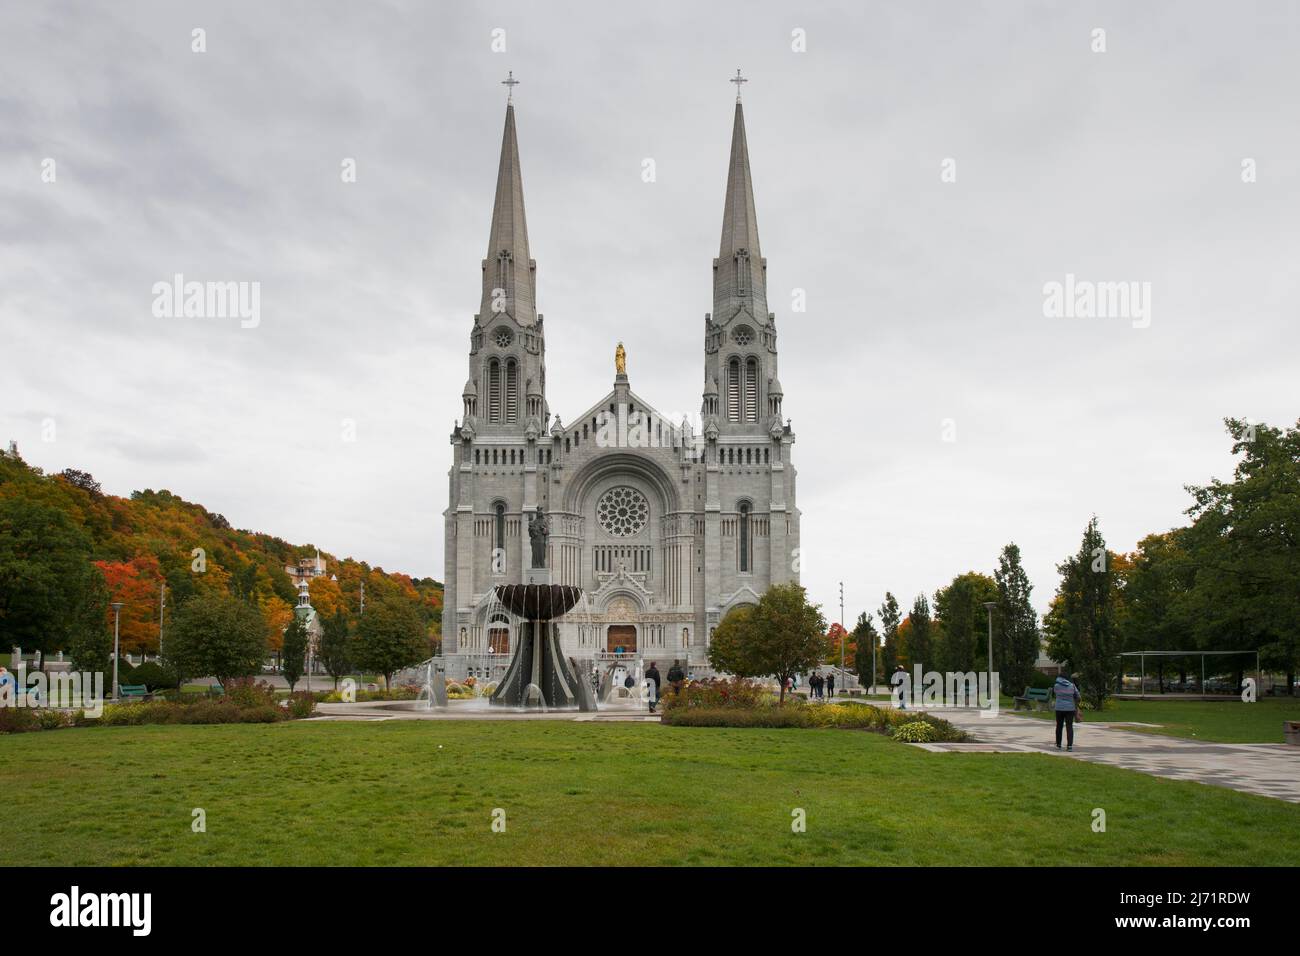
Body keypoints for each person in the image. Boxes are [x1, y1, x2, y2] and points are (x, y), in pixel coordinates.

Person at [1049, 674, 1082, 751]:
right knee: (1069, 727)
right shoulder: (1072, 686)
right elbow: (1078, 697)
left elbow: (1055, 693)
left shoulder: (1056, 686)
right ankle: (1069, 746)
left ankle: (1058, 744)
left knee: (1059, 726)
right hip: (1070, 709)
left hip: (1059, 708)